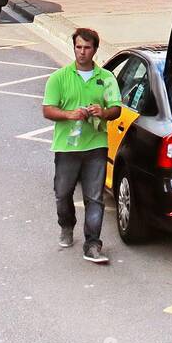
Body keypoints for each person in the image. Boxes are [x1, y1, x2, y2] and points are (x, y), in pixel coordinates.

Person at [42, 28, 122, 264]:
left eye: (87, 48)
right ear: (74, 48)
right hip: (67, 147)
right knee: (62, 193)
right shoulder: (59, 77)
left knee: (94, 197)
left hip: (96, 145)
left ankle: (92, 244)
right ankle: (67, 225)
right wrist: (69, 115)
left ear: (95, 50)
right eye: (78, 47)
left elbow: (116, 109)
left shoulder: (106, 78)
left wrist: (104, 111)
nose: (82, 52)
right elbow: (48, 110)